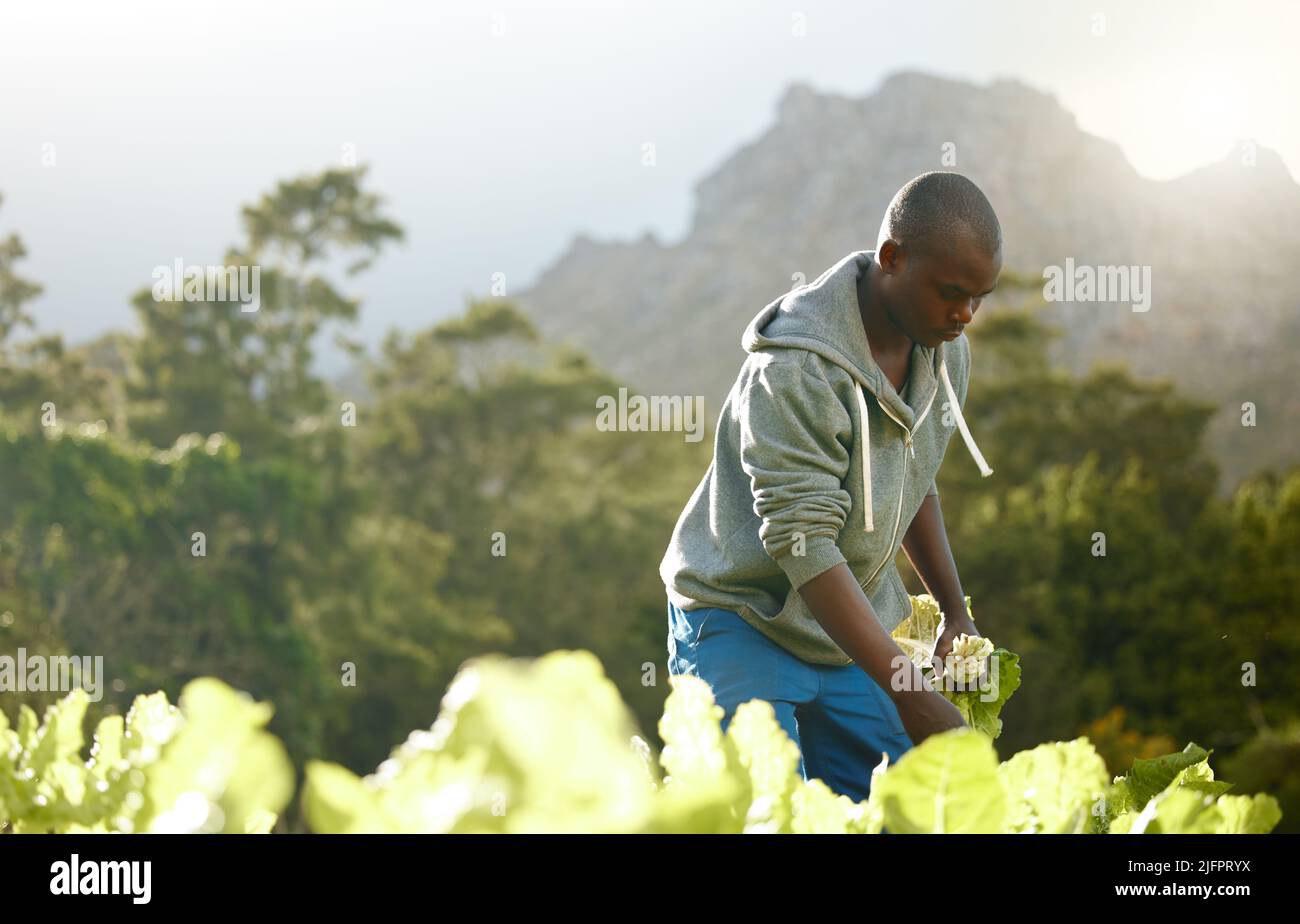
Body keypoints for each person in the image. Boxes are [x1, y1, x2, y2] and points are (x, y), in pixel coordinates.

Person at [659, 171, 1001, 802]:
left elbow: (914, 480)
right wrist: (912, 692)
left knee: (889, 809)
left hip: (847, 629)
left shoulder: (945, 352)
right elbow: (805, 542)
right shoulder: (794, 369)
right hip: (742, 617)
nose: (965, 316)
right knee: (751, 807)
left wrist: (955, 612)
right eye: (952, 293)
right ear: (893, 258)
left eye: (980, 298)